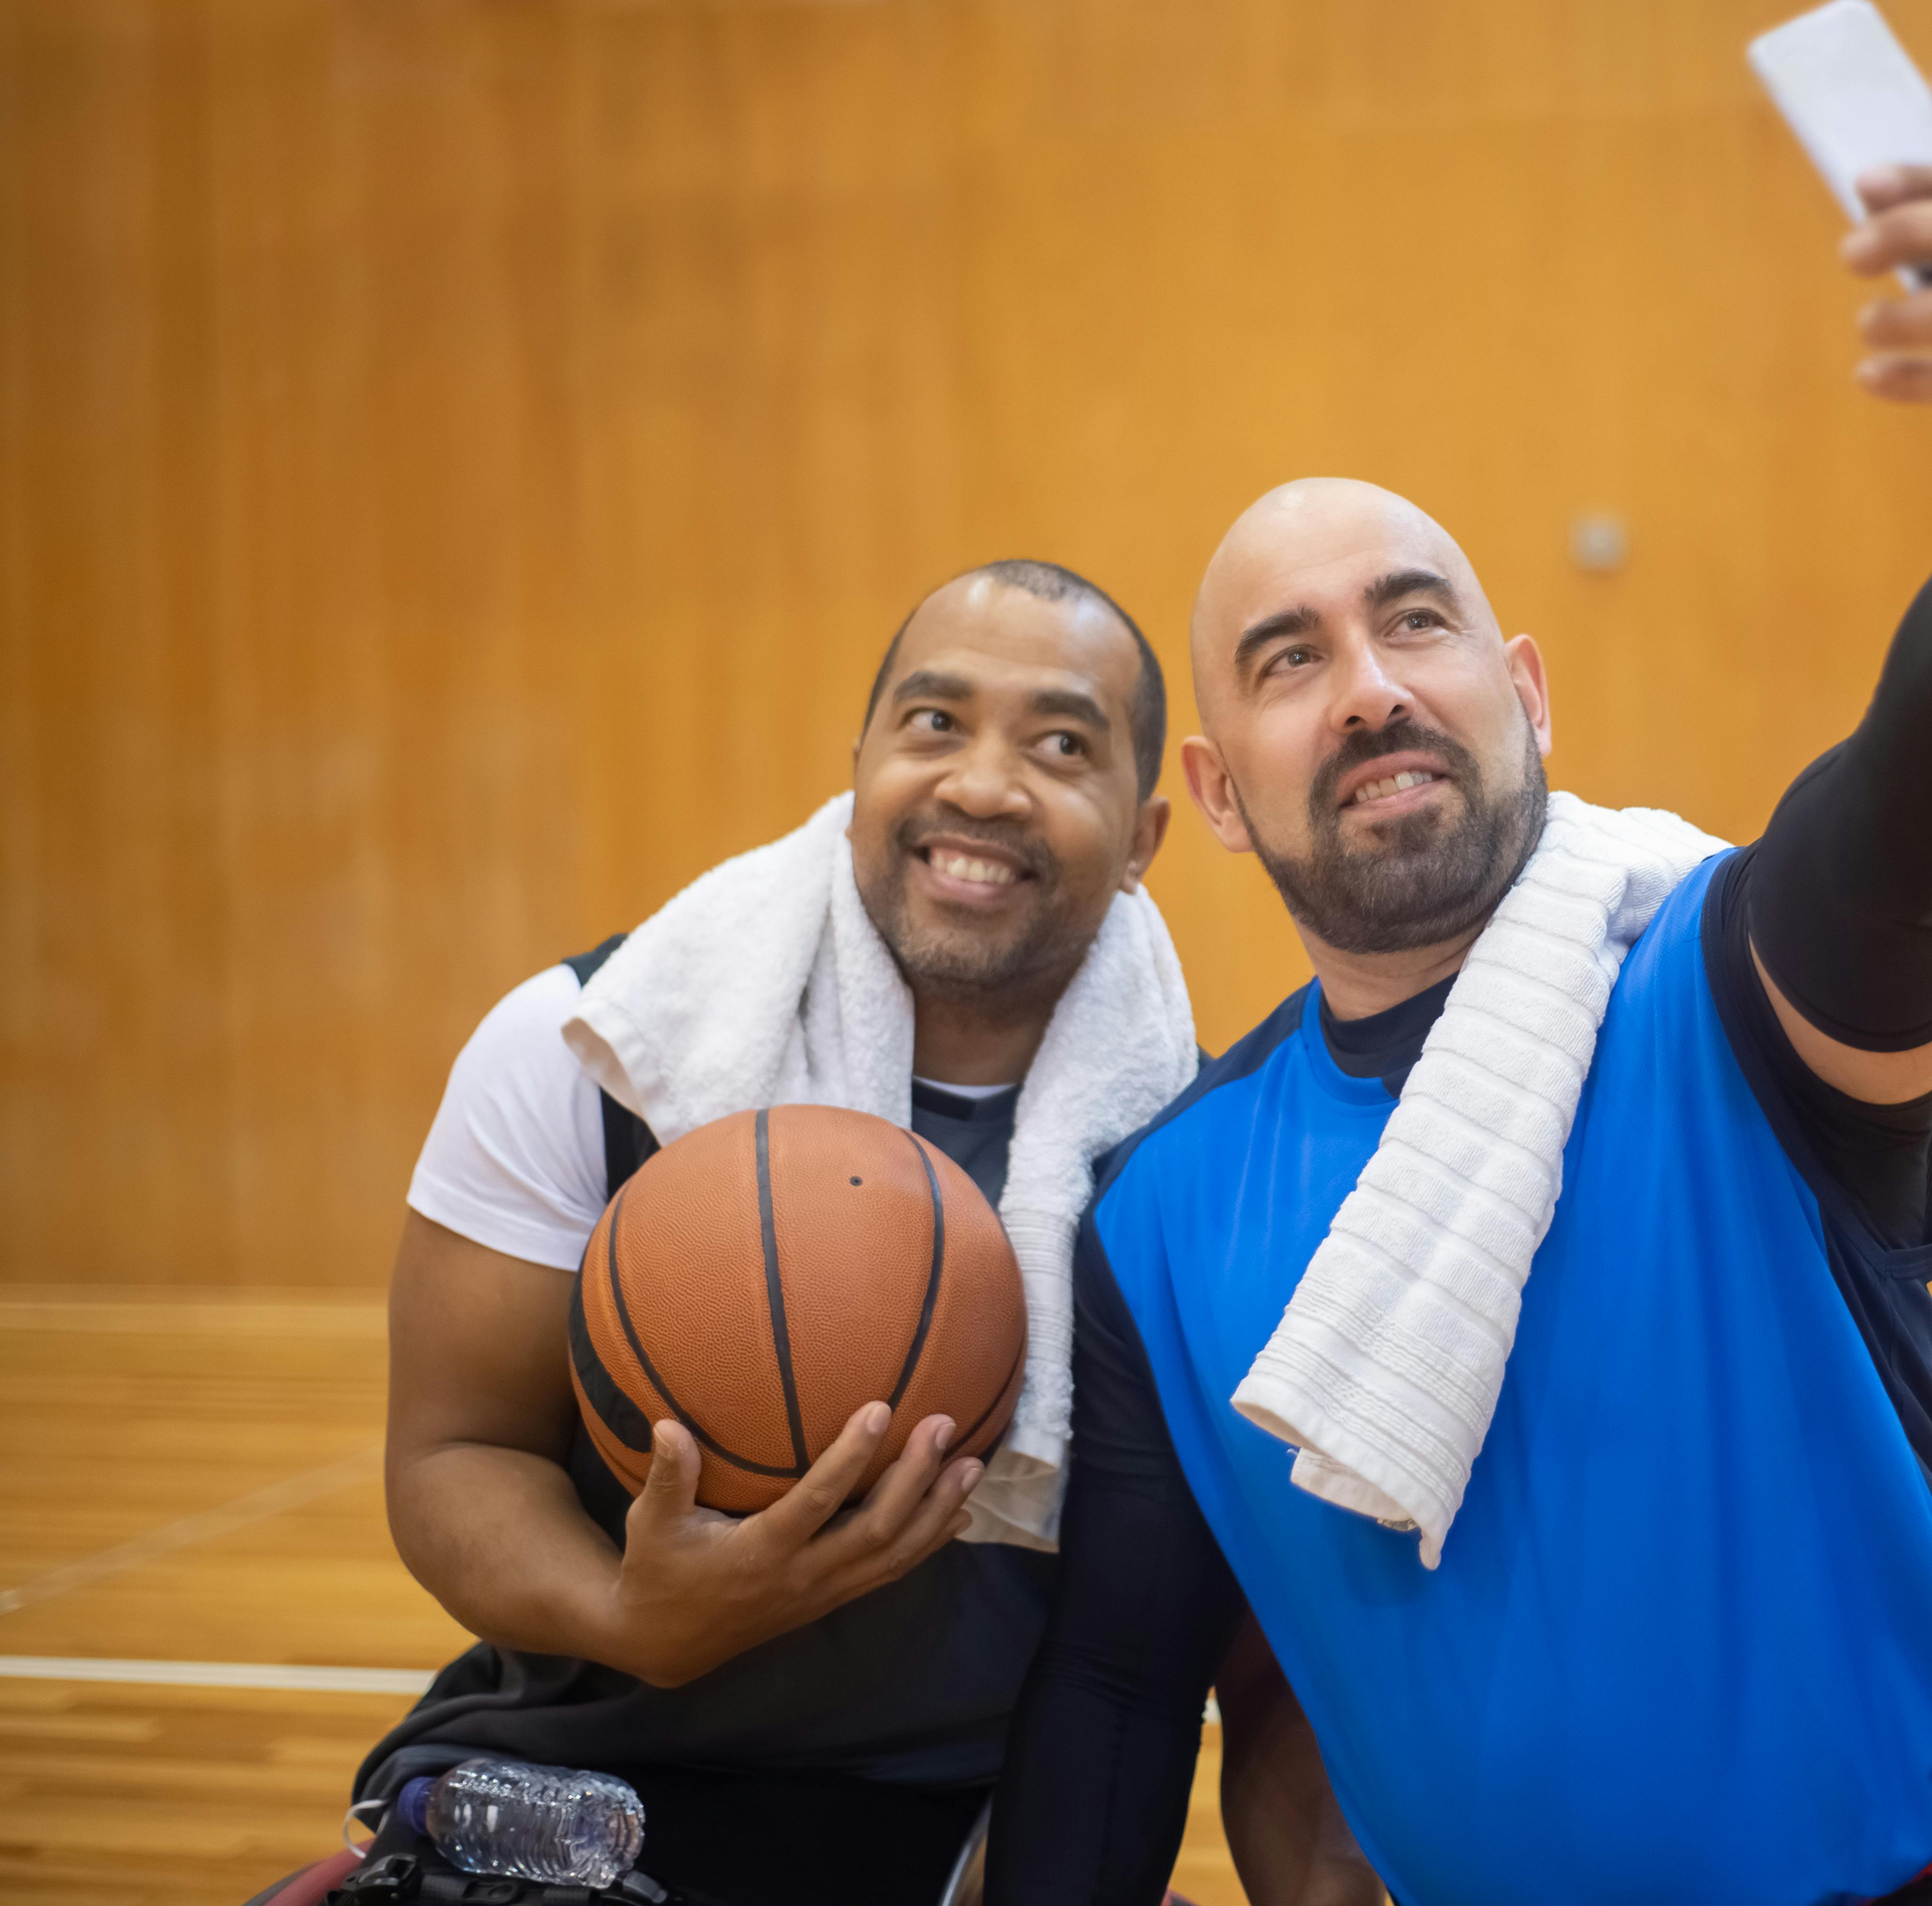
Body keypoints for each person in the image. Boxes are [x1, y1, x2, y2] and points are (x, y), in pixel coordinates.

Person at [990, 70, 1932, 1906]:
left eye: (1414, 619)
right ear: (1222, 801)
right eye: (1287, 656)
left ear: (1530, 694)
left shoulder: (1726, 983)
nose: (1370, 686)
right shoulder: (1163, 1217)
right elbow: (1117, 1688)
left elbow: (1926, 809)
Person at [361, 562, 1354, 1906]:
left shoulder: (1207, 1166)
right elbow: (452, 1454)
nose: (985, 785)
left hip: (974, 1830)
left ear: (1145, 835)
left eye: (1061, 745)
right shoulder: (597, 1052)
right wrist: (628, 1618)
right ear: (860, 767)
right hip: (591, 1783)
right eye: (934, 724)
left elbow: (1268, 1662)